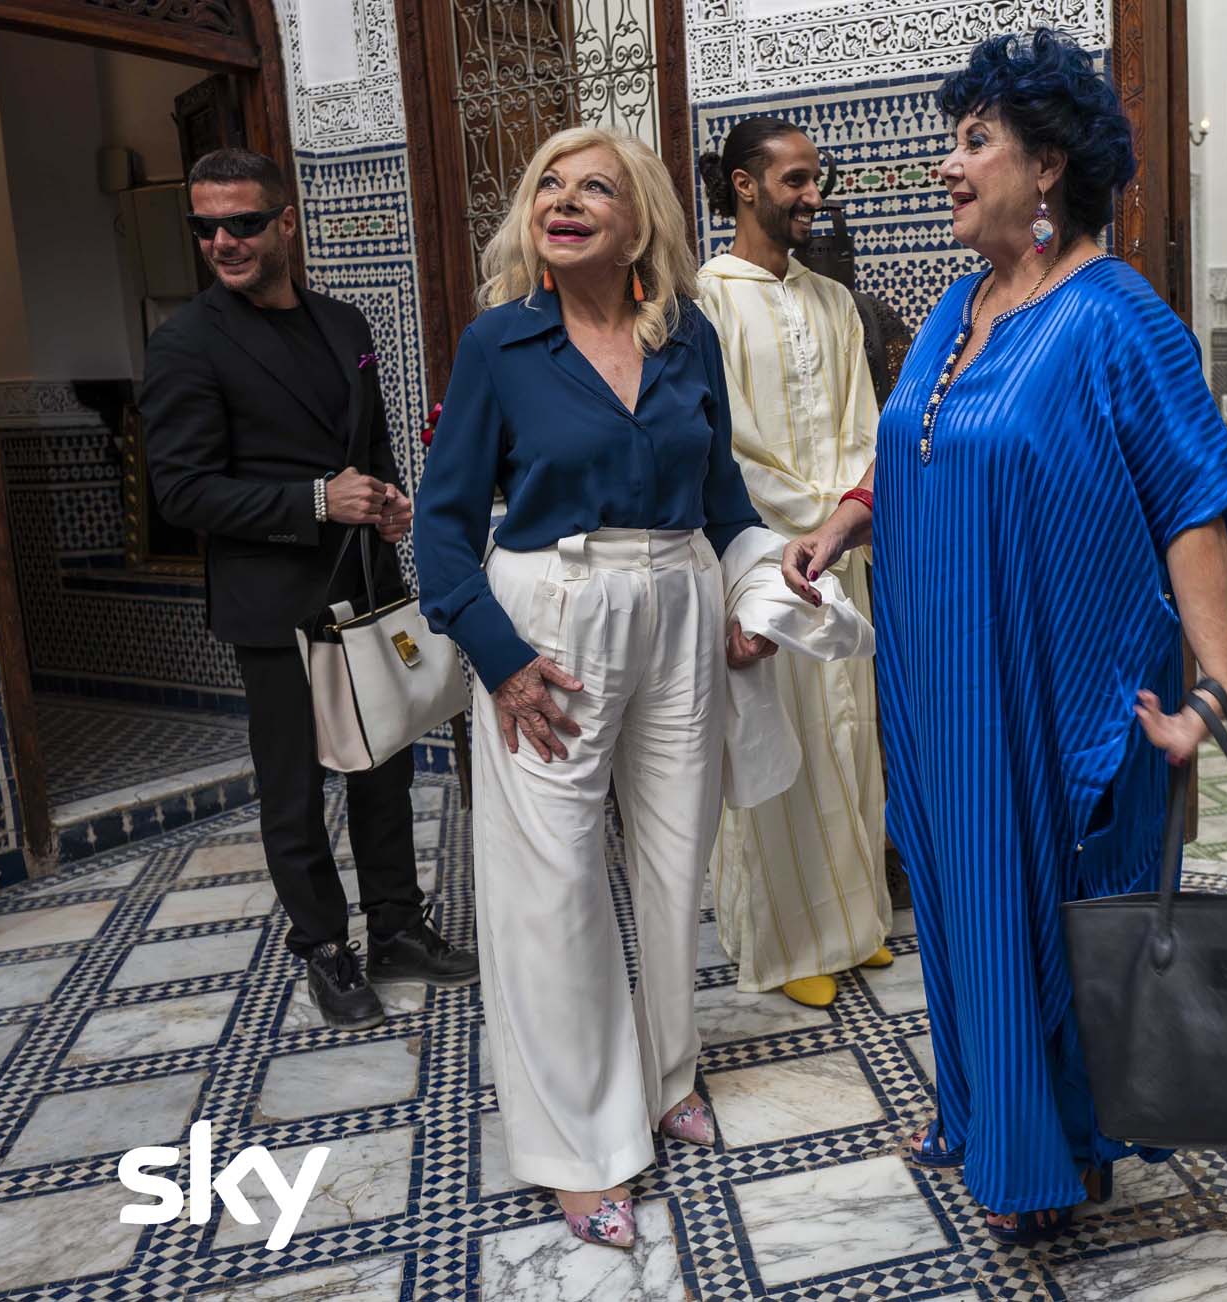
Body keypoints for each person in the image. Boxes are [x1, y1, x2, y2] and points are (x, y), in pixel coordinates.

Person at [781, 29, 1227, 1244]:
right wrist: (842, 523)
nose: (948, 165)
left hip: (1055, 678)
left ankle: (1056, 1155)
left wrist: (1215, 690)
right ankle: (988, 1114)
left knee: (1052, 908)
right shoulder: (957, 307)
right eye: (955, 140)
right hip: (940, 678)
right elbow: (919, 450)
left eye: (972, 141)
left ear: (1047, 167)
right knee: (955, 897)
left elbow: (1195, 503)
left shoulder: (1116, 316)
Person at [413, 127, 773, 1248]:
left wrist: (758, 588)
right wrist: (500, 659)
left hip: (679, 605)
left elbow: (726, 497)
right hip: (549, 623)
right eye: (548, 188)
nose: (563, 202)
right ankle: (578, 1146)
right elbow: (440, 531)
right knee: (554, 883)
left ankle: (666, 1078)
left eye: (593, 189)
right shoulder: (499, 348)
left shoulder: (687, 340)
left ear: (640, 224)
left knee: (675, 863)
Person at [143, 147, 478, 1033]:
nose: (223, 240)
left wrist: (389, 501)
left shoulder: (344, 322)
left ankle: (397, 927)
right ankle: (324, 948)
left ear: (286, 222)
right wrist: (312, 501)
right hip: (272, 601)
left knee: (385, 763)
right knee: (292, 788)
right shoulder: (185, 342)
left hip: (362, 584)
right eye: (206, 226)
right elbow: (179, 490)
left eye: (244, 222)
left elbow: (364, 448)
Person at [695, 118, 893, 1010]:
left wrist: (846, 517)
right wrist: (809, 524)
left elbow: (865, 426)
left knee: (847, 735)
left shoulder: (833, 300)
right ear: (744, 184)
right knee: (779, 742)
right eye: (796, 181)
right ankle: (782, 942)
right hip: (764, 557)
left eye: (818, 180)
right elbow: (720, 445)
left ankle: (853, 925)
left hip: (836, 554)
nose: (815, 197)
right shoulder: (704, 300)